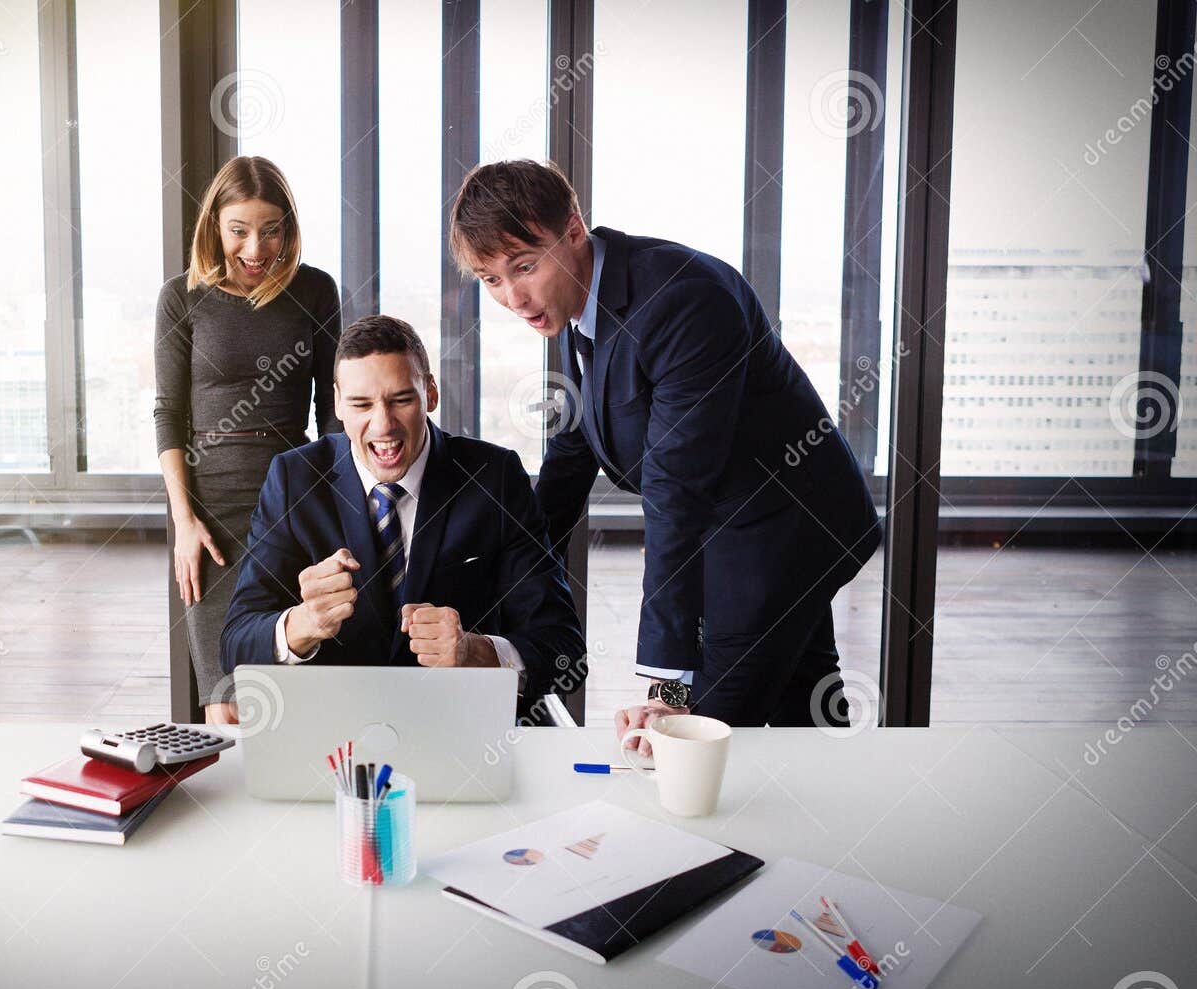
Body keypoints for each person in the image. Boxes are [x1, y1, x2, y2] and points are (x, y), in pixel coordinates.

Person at [449, 159, 881, 741]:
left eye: (524, 267)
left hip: (781, 530)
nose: (514, 298)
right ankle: (836, 799)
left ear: (573, 230)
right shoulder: (577, 303)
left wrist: (666, 686)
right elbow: (573, 453)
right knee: (808, 714)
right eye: (491, 280)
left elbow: (674, 491)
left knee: (693, 736)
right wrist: (506, 578)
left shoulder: (683, 301)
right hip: (737, 530)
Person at [219, 314, 585, 722]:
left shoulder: (494, 478)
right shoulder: (294, 479)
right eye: (361, 404)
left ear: (430, 393)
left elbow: (564, 651)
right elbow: (235, 644)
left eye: (401, 400)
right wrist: (303, 624)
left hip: (461, 731)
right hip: (333, 734)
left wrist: (474, 652)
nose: (383, 425)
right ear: (337, 403)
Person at [154, 156, 341, 725]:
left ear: (289, 228)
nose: (255, 248)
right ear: (215, 225)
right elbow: (168, 414)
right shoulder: (182, 297)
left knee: (288, 690)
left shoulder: (315, 291)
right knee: (227, 703)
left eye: (271, 230)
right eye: (239, 230)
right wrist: (184, 521)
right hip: (210, 516)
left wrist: (336, 507)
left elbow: (331, 414)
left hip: (292, 500)